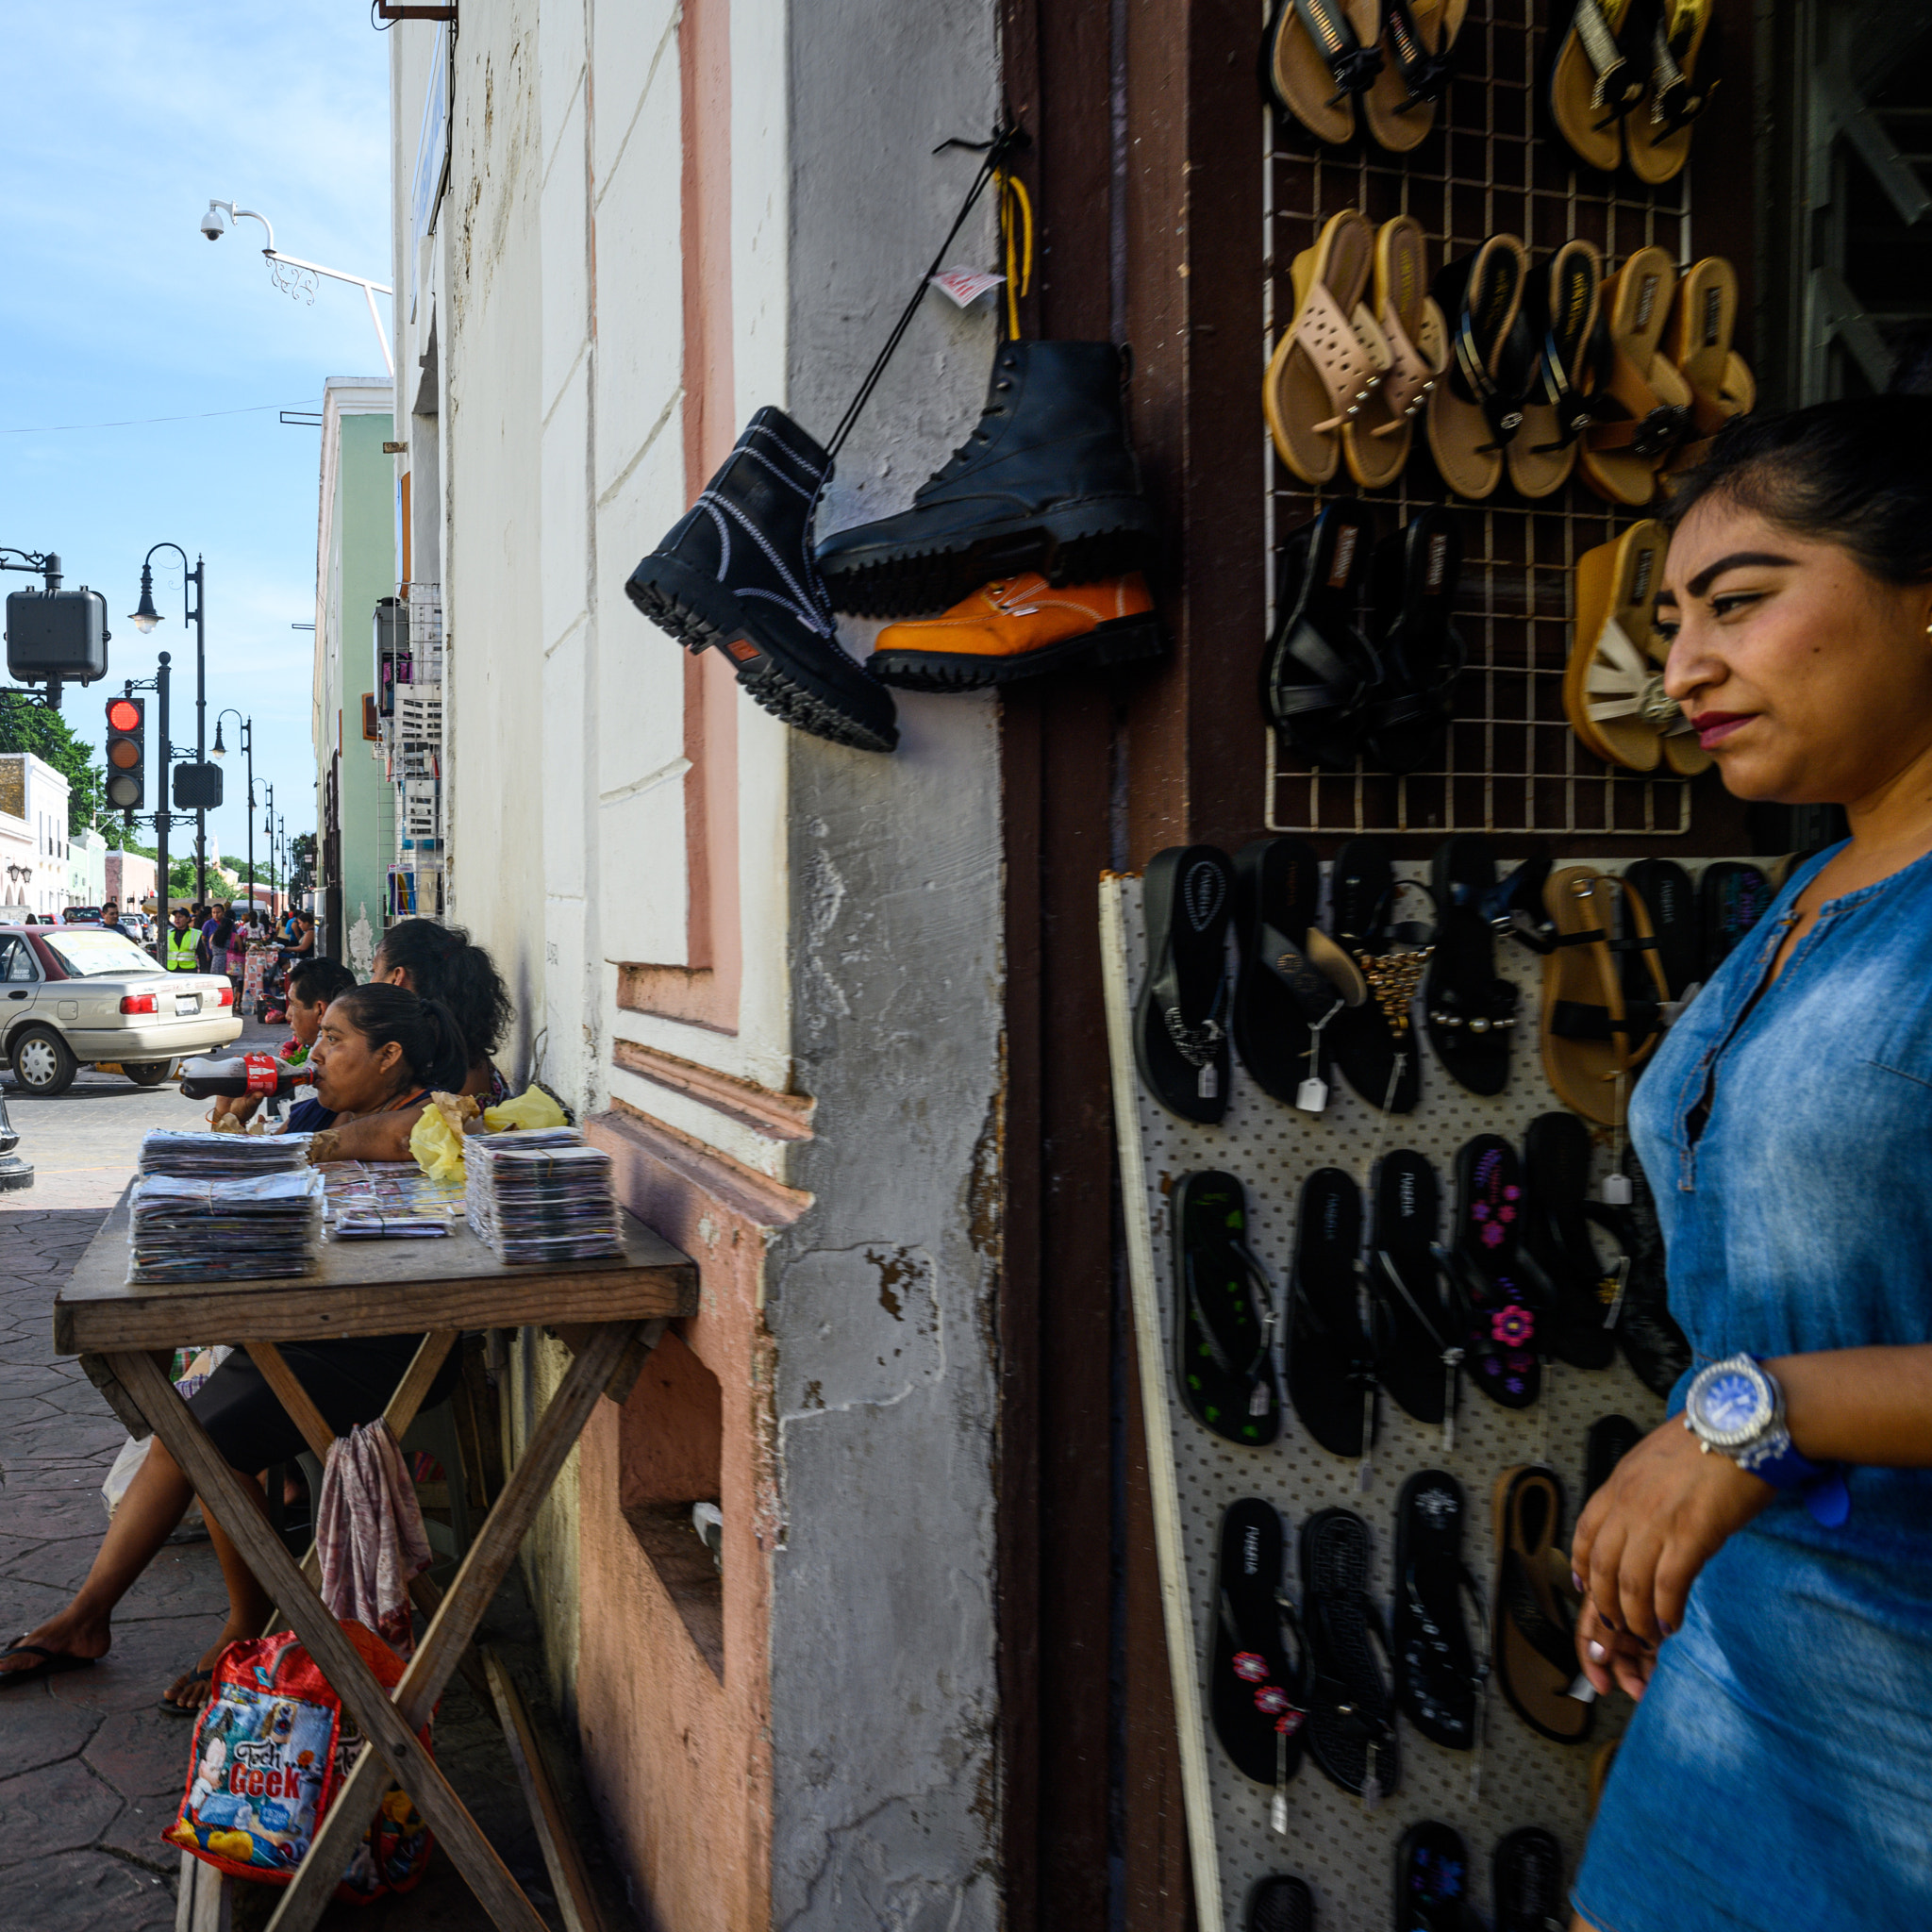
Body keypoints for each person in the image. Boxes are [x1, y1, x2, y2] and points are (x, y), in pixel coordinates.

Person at [1568, 397, 1932, 1932]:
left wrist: (1742, 1418)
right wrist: (1691, 1481)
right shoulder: (1804, 893)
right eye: (1668, 622)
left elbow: (1762, 1380)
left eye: (1738, 601)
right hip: (1745, 1659)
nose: (1678, 669)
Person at [0, 985, 470, 1711]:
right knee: (179, 1430)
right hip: (312, 1326)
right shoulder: (334, 1106)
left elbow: (386, 1141)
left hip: (383, 1347)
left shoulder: (432, 1115)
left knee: (206, 1442)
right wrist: (239, 1120)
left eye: (335, 1040)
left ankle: (244, 1622)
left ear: (389, 1057)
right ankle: (88, 1617)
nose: (315, 1053)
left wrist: (303, 1144)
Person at [315, 922, 516, 1163]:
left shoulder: (454, 1068)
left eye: (374, 970)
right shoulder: (441, 1049)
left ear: (397, 977)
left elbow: (409, 1135)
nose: (369, 981)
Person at [204, 957, 357, 1132]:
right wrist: (233, 1118)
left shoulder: (333, 1089)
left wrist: (226, 1119)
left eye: (292, 1004)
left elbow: (286, 1147)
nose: (288, 1015)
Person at [164, 906, 199, 972]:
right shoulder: (168, 933)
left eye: (180, 917)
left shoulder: (195, 934)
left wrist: (203, 972)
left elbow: (202, 955)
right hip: (171, 969)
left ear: (187, 919)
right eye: (175, 917)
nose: (177, 919)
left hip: (189, 970)